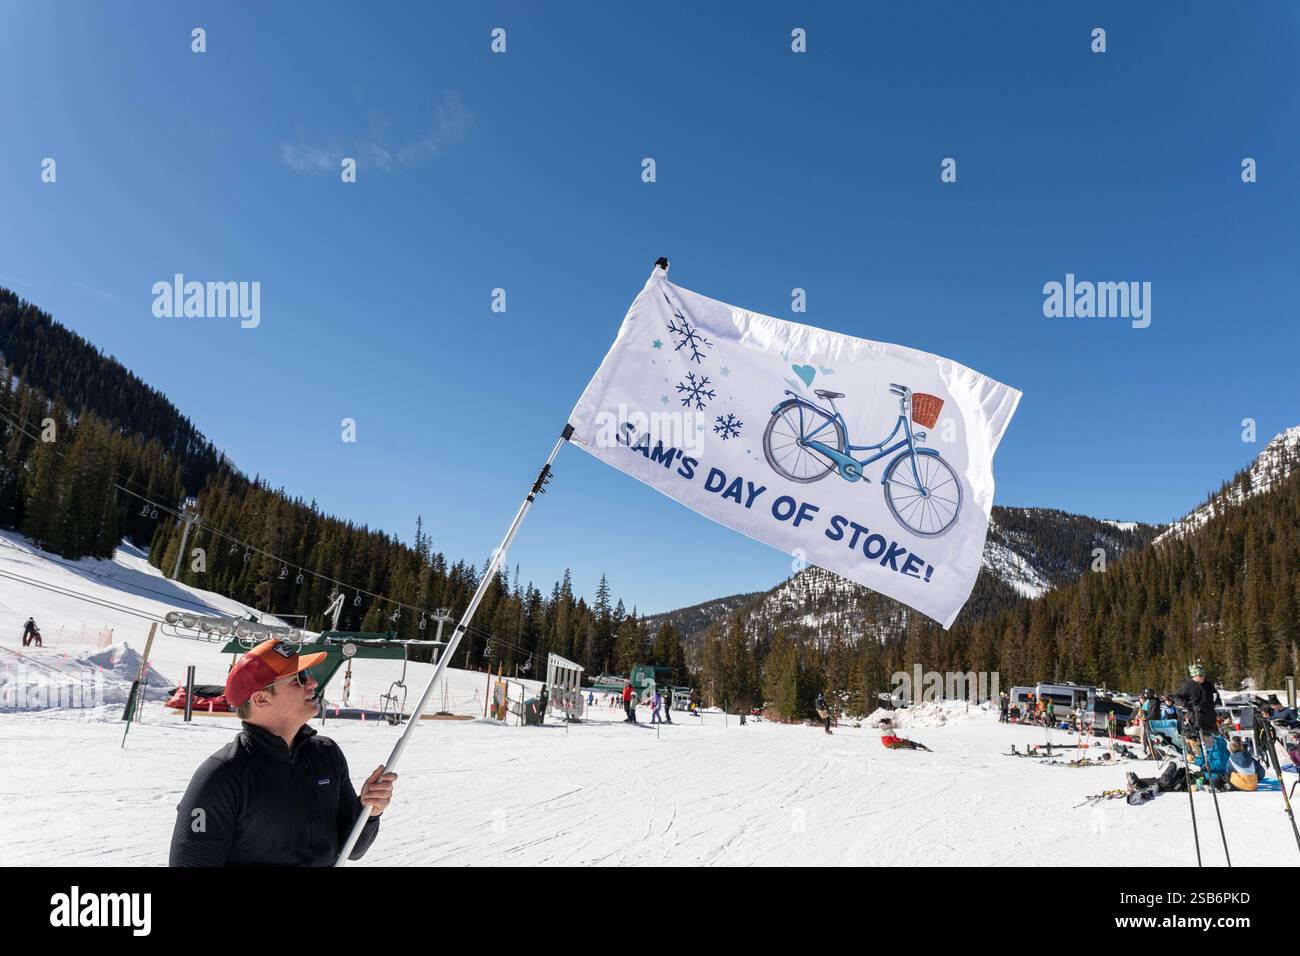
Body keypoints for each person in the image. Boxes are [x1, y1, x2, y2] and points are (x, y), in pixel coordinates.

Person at [170, 639, 397, 866]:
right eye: (299, 678)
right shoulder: (222, 776)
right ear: (261, 698)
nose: (312, 682)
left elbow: (352, 848)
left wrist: (369, 810)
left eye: (307, 672)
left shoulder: (326, 754)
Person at [1171, 663, 1222, 739]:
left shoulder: (1208, 685)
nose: (1203, 678)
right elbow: (1176, 697)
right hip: (1196, 717)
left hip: (1210, 717)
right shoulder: (1188, 685)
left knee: (1214, 740)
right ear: (1195, 676)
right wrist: (1186, 705)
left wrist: (1217, 702)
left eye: (1203, 676)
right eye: (1201, 676)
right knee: (1198, 740)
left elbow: (1216, 695)